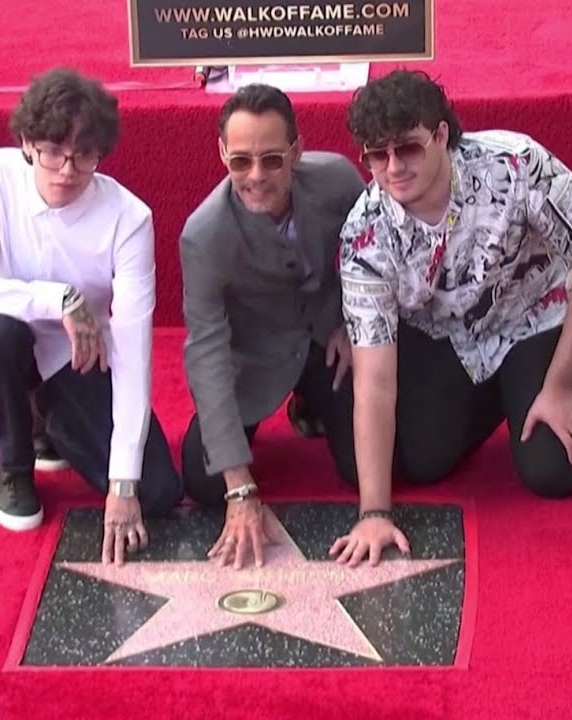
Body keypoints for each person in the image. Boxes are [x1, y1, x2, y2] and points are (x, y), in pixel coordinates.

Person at [332, 70, 572, 566]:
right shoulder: (364, 233)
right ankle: (503, 399)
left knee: (553, 469)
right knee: (421, 463)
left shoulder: (516, 163)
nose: (393, 168)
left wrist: (556, 387)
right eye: (376, 156)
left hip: (532, 317)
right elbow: (375, 379)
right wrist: (373, 512)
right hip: (445, 338)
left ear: (442, 134)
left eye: (407, 148)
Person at [0, 67, 183, 564]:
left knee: (157, 491)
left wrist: (122, 485)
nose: (67, 170)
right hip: (7, 338)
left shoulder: (129, 219)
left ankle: (52, 417)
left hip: (79, 353)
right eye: (53, 151)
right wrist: (58, 300)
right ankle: (14, 456)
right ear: (28, 143)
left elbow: (134, 353)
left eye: (84, 155)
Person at [179, 84, 366, 569]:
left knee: (366, 466)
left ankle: (314, 405)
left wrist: (353, 320)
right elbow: (206, 350)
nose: (256, 176)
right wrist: (239, 486)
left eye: (272, 160)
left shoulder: (340, 181)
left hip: (328, 342)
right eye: (240, 161)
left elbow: (372, 258)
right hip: (255, 361)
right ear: (222, 154)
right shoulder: (204, 236)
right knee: (204, 482)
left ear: (297, 151)